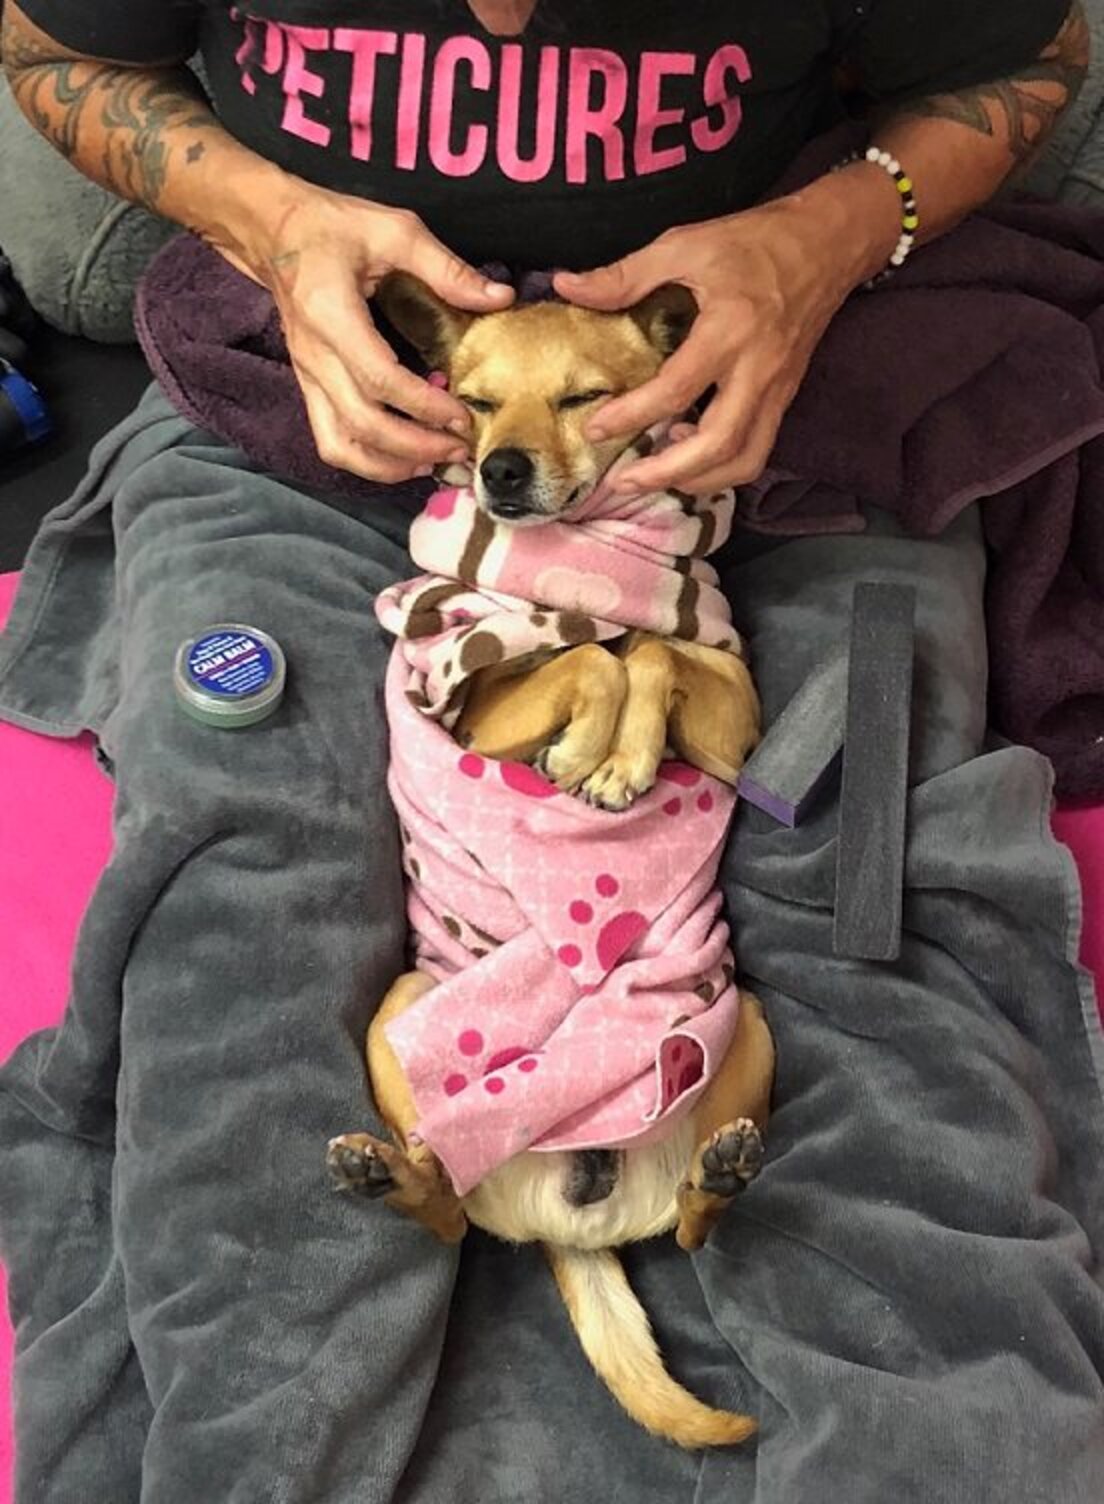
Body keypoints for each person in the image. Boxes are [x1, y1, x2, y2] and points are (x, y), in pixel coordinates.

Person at [1, 5, 1103, 1504]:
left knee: (885, 923)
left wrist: (829, 237)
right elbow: (50, 43)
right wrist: (268, 218)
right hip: (298, 421)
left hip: (795, 435)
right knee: (235, 934)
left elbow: (1029, 60)